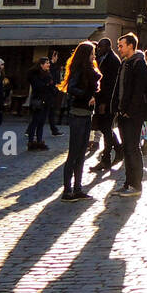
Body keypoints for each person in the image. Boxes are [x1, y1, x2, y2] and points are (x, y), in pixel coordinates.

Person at [57, 41, 100, 201]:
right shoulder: (78, 69)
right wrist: (86, 96)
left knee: (81, 153)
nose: (94, 56)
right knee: (74, 152)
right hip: (78, 114)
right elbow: (71, 89)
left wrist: (94, 97)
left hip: (87, 114)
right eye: (92, 53)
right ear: (85, 54)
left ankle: (78, 188)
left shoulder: (90, 69)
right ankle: (67, 191)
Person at [110, 32, 147, 197]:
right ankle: (128, 183)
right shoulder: (125, 63)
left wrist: (129, 111)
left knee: (133, 149)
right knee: (127, 149)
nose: (119, 48)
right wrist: (116, 108)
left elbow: (138, 92)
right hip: (123, 114)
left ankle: (136, 185)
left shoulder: (139, 64)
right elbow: (118, 88)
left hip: (133, 116)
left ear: (130, 46)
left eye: (121, 46)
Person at [92, 37, 122, 172]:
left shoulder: (113, 61)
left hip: (108, 101)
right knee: (104, 128)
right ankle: (117, 150)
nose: (99, 49)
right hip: (101, 99)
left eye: (101, 47)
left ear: (108, 47)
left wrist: (104, 102)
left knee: (106, 127)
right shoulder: (102, 58)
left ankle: (106, 159)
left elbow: (110, 84)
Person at [26, 57, 57, 151]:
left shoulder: (48, 74)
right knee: (35, 121)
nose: (48, 64)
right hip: (38, 101)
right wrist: (48, 84)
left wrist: (53, 90)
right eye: (47, 63)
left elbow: (52, 85)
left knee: (41, 122)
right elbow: (38, 86)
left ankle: (39, 141)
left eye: (48, 63)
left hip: (47, 101)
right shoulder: (35, 75)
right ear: (41, 65)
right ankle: (31, 141)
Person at [47, 49, 64, 137]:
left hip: (52, 91)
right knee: (48, 111)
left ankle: (54, 129)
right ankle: (54, 129)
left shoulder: (53, 66)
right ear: (53, 56)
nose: (57, 58)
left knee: (50, 112)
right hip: (50, 92)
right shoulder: (50, 66)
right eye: (56, 56)